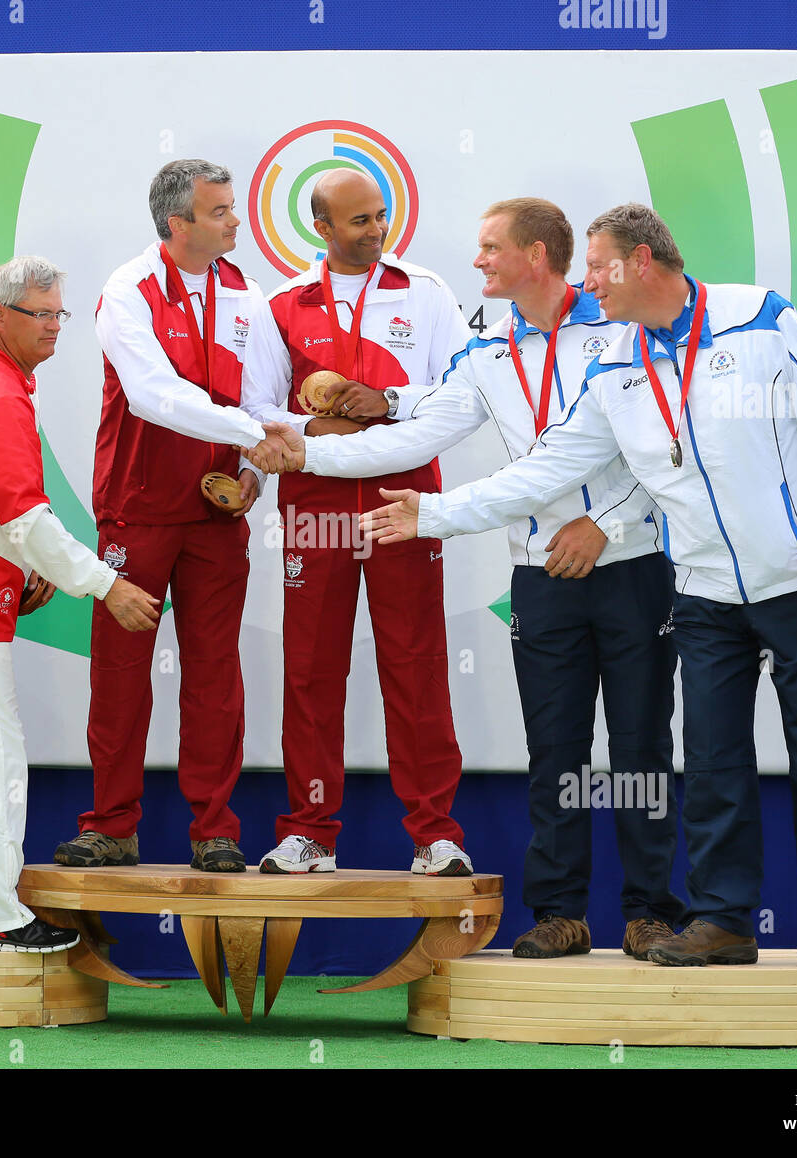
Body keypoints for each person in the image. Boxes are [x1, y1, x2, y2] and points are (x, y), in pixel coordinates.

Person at [360, 203, 797, 967]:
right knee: (711, 763)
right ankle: (723, 920)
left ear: (645, 262)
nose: (589, 282)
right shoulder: (617, 367)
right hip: (703, 591)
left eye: (601, 267)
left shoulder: (761, 320)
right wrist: (436, 513)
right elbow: (546, 467)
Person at [254, 199, 683, 955]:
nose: (477, 260)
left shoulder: (620, 332)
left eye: (491, 248)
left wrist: (605, 524)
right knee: (555, 749)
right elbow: (425, 427)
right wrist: (308, 454)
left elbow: (668, 448)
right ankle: (560, 913)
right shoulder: (488, 345)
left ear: (537, 257)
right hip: (539, 574)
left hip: (629, 565)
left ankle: (650, 912)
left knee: (641, 748)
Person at [0, 256, 161, 952]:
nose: (54, 327)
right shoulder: (0, 394)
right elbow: (26, 520)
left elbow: (6, 520)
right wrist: (108, 583)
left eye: (58, 314)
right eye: (41, 314)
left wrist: (25, 568)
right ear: (2, 316)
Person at [52, 159, 295, 875]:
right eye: (220, 211)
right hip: (138, 509)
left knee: (215, 672)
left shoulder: (245, 296)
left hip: (217, 515)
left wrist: (252, 471)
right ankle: (110, 826)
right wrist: (255, 438)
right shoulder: (127, 291)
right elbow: (151, 394)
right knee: (121, 672)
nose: (235, 221)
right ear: (177, 222)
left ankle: (214, 829)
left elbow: (263, 398)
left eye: (233, 208)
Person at [240, 168, 472, 876]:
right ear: (322, 229)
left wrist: (390, 401)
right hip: (314, 506)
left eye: (381, 216)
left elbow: (462, 391)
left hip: (401, 502)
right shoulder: (280, 305)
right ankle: (311, 830)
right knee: (311, 669)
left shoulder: (425, 293)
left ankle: (435, 834)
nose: (377, 231)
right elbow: (254, 411)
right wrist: (327, 424)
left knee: (417, 664)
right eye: (360, 221)